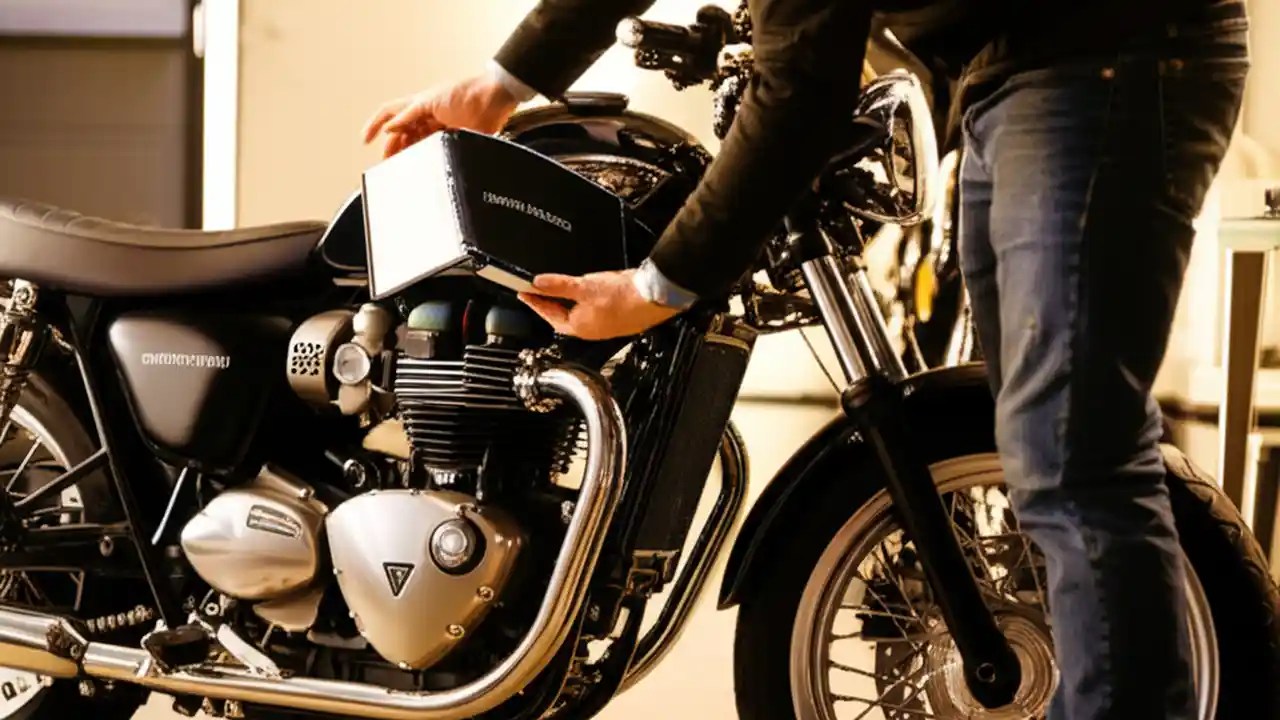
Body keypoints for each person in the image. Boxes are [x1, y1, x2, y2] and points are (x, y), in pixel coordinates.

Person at [363, 1, 1250, 717]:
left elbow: (800, 88)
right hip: (1025, 70)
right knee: (1045, 452)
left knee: (1070, 458)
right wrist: (502, 81)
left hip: (1098, 59)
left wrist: (655, 287)